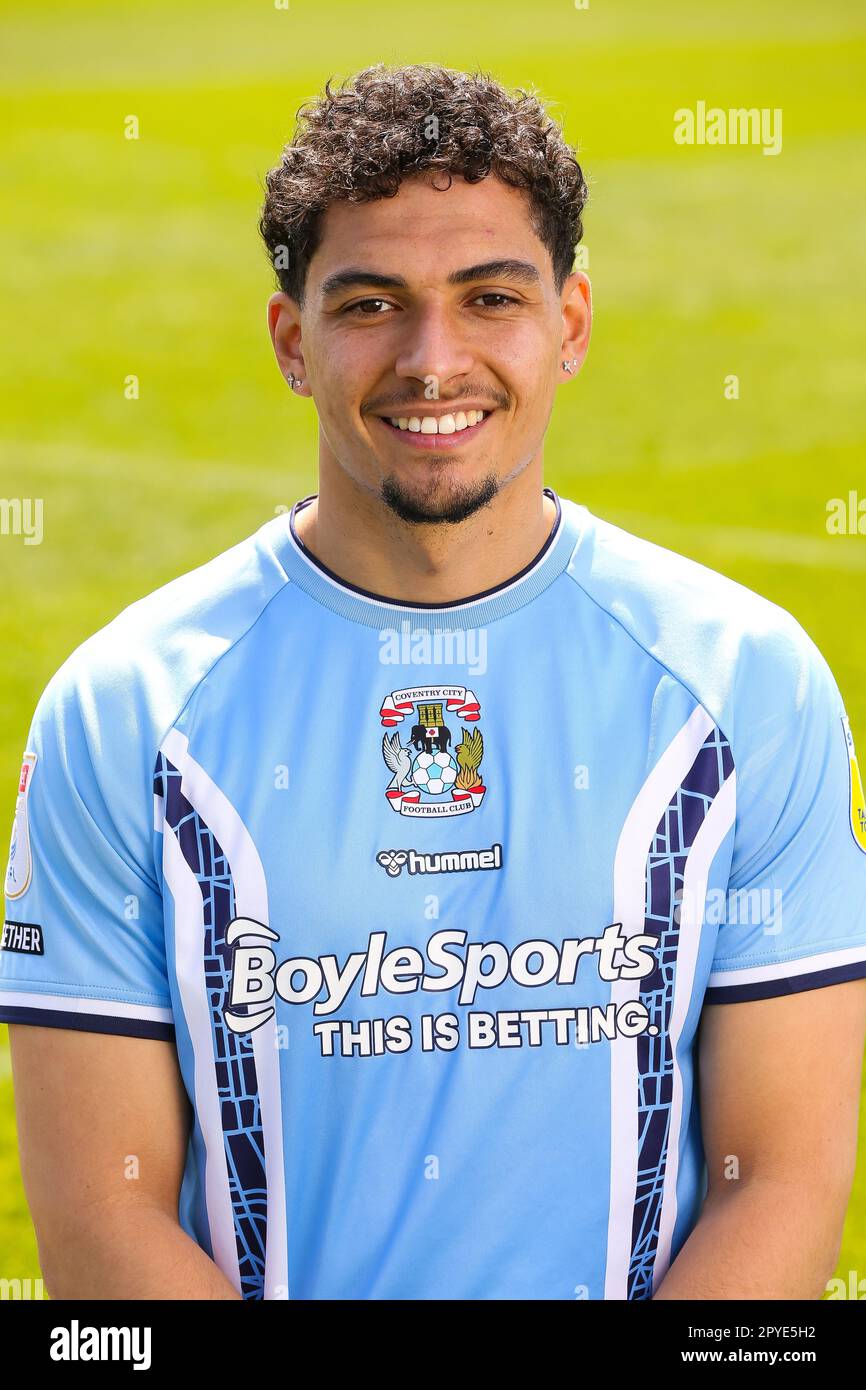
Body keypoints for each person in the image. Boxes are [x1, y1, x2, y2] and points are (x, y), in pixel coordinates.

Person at [3, 62, 866, 1301]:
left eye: (488, 297)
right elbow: (100, 1215)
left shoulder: (745, 679)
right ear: (292, 340)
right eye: (369, 304)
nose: (431, 359)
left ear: (567, 324)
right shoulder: (123, 709)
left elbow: (775, 1178)